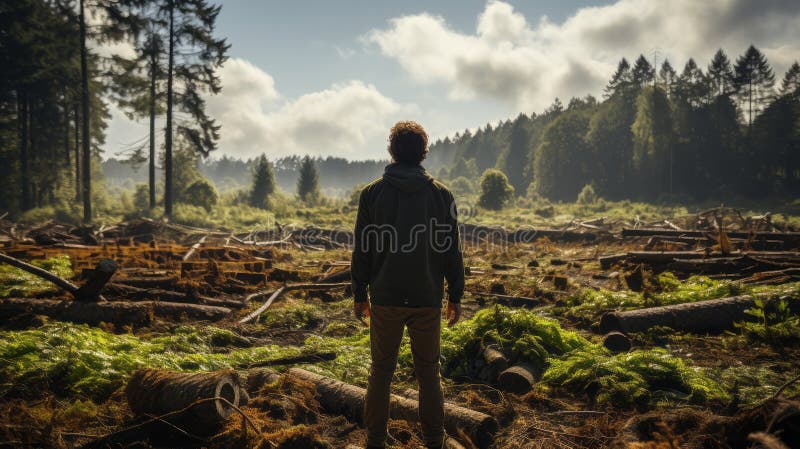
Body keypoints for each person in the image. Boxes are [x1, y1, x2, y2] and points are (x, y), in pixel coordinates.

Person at [351, 121, 465, 449]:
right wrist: (455, 294)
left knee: (380, 372)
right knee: (429, 374)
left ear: (392, 151)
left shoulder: (372, 194)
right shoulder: (441, 195)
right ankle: (434, 442)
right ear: (423, 152)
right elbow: (451, 249)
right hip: (426, 298)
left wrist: (360, 293)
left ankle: (374, 442)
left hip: (384, 298)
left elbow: (363, 248)